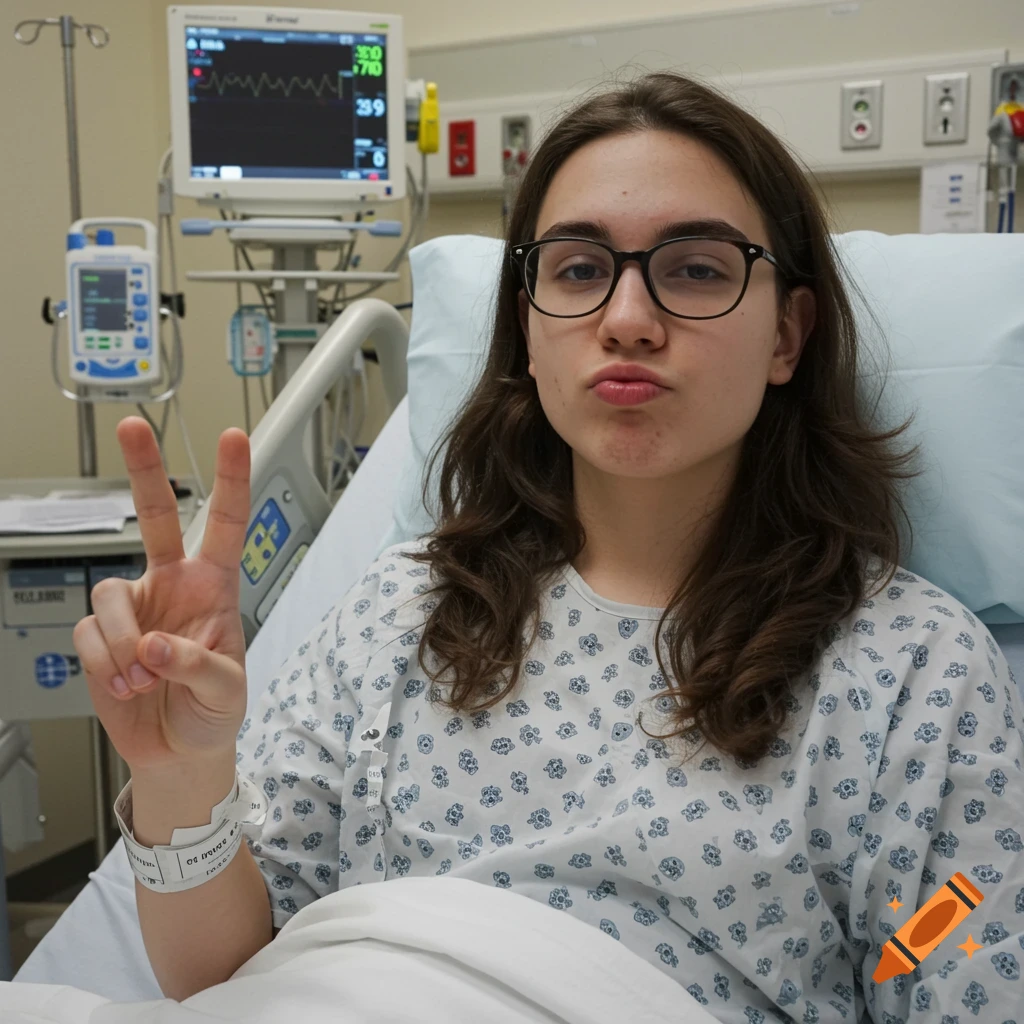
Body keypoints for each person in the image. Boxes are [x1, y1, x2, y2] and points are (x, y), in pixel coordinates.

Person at [75, 72, 1024, 1022]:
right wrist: (179, 774)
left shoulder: (910, 669)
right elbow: (224, 976)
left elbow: (946, 940)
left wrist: (898, 961)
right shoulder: (401, 612)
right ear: (528, 331)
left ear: (787, 334)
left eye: (696, 269)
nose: (627, 320)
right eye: (577, 270)